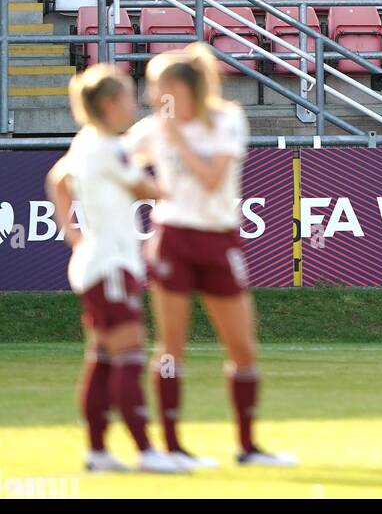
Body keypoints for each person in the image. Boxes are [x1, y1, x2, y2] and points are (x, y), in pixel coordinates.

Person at [126, 45, 296, 469]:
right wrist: (144, 186)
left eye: (158, 87)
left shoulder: (226, 119)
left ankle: (248, 446)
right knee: (171, 347)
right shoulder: (151, 129)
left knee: (242, 348)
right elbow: (113, 164)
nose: (152, 96)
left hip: (218, 240)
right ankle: (171, 448)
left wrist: (175, 138)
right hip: (172, 239)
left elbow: (211, 178)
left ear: (182, 88)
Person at [46, 66, 181, 474]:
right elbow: (145, 188)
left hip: (96, 262)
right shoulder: (108, 147)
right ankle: (146, 451)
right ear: (108, 104)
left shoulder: (88, 141)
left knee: (103, 357)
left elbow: (57, 179)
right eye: (126, 96)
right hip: (109, 266)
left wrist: (71, 233)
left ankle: (98, 452)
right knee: (128, 356)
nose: (133, 103)